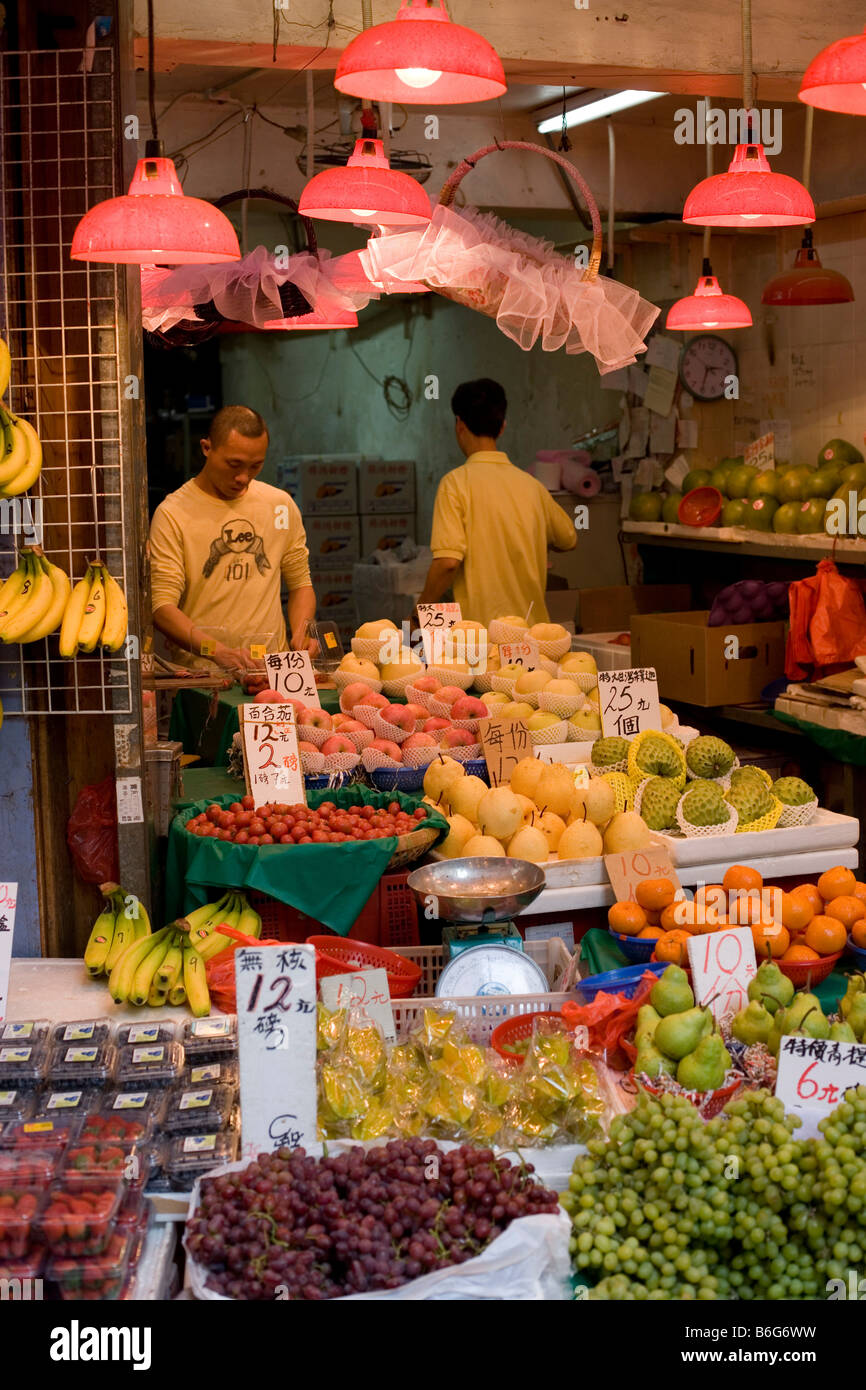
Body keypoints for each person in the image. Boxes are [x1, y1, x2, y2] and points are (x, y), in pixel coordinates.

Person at [149, 405, 316, 671]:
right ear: (206, 448)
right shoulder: (173, 514)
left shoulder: (280, 506)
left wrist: (302, 631)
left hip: (273, 670)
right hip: (205, 676)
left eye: (255, 466)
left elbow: (300, 584)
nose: (243, 477)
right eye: (234, 464)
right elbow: (161, 608)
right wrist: (215, 651)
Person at [416, 378, 577, 627]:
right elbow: (568, 538)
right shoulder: (532, 486)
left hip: (480, 642)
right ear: (502, 427)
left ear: (459, 424)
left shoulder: (455, 484)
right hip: (531, 639)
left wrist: (419, 613)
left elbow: (448, 563)